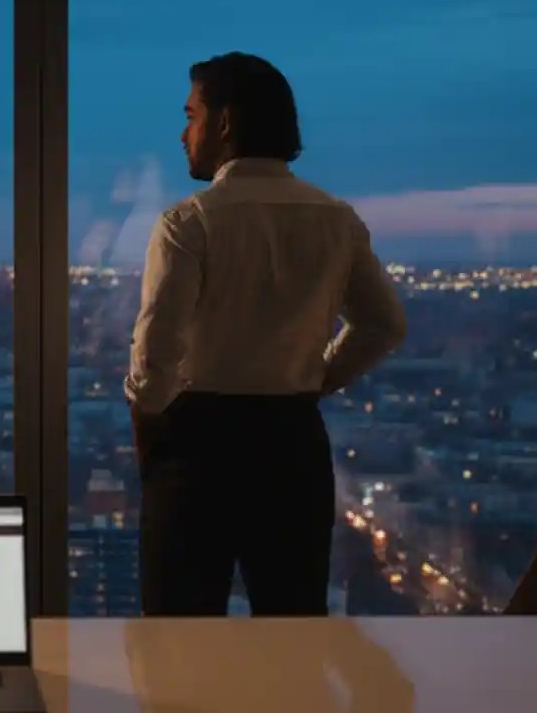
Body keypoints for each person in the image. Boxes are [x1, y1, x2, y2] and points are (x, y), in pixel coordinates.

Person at [126, 52, 407, 617]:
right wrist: (315, 379)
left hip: (198, 443)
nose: (184, 134)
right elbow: (383, 325)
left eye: (192, 115)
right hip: (292, 440)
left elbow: (156, 358)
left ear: (224, 123)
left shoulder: (189, 223)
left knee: (178, 636)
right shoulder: (336, 220)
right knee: (293, 624)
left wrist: (152, 433)